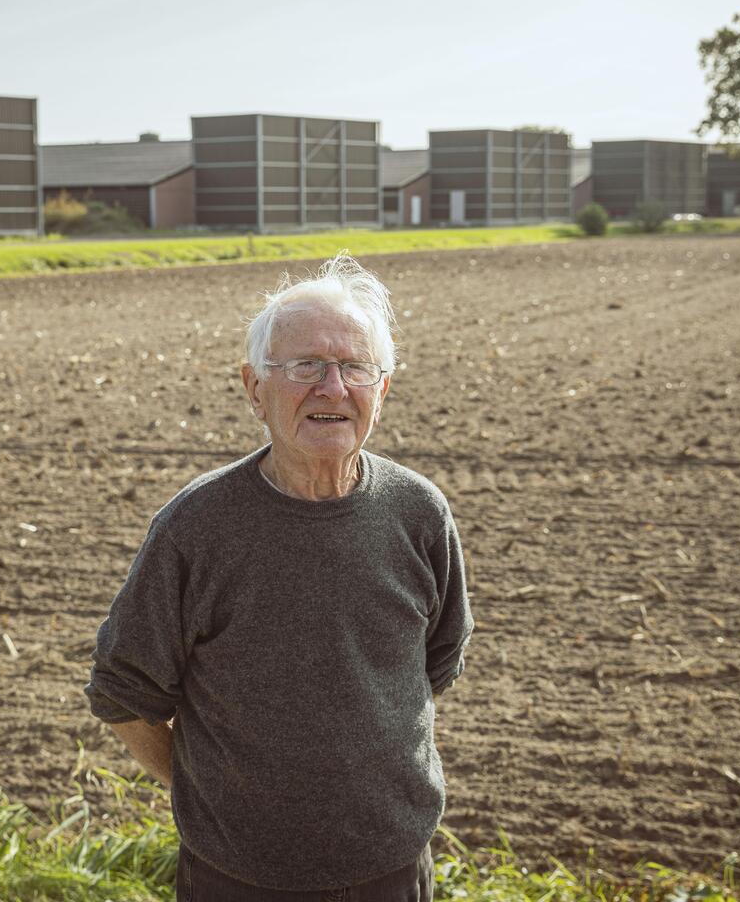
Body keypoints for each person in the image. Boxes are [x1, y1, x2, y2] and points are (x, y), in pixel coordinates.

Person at [85, 253, 473, 900]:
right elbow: (123, 693)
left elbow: (436, 662)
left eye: (355, 367)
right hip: (236, 878)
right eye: (304, 366)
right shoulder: (197, 528)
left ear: (382, 390)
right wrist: (211, 797)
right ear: (253, 387)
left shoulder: (419, 512)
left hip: (392, 871)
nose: (332, 387)